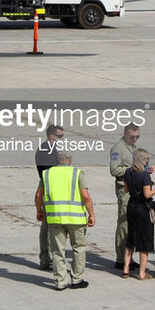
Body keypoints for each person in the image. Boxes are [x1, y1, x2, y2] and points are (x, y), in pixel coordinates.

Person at [35, 151, 95, 290]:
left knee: (57, 251)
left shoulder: (47, 174)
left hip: (55, 218)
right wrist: (91, 214)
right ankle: (76, 279)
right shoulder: (77, 173)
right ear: (70, 159)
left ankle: (60, 282)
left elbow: (38, 195)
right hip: (75, 219)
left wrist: (39, 211)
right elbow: (85, 197)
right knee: (78, 248)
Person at [122, 148, 155, 280]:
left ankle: (126, 268)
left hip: (131, 206)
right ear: (142, 160)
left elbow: (126, 189)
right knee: (144, 239)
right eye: (146, 159)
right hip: (143, 208)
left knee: (131, 237)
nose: (148, 161)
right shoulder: (144, 175)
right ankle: (142, 272)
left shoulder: (128, 172)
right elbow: (147, 194)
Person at [109, 125, 141, 270]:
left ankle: (129, 256)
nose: (134, 139)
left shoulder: (133, 148)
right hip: (125, 191)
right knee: (124, 224)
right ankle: (121, 258)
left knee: (132, 225)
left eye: (137, 137)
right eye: (132, 136)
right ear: (125, 134)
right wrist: (132, 169)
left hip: (134, 190)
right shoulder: (118, 149)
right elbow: (114, 169)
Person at [34, 124, 65, 271]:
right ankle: (46, 259)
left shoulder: (53, 149)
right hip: (48, 189)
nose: (61, 139)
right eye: (59, 136)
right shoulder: (45, 150)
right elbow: (47, 173)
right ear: (51, 136)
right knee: (47, 227)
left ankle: (49, 259)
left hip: (53, 188)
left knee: (50, 226)